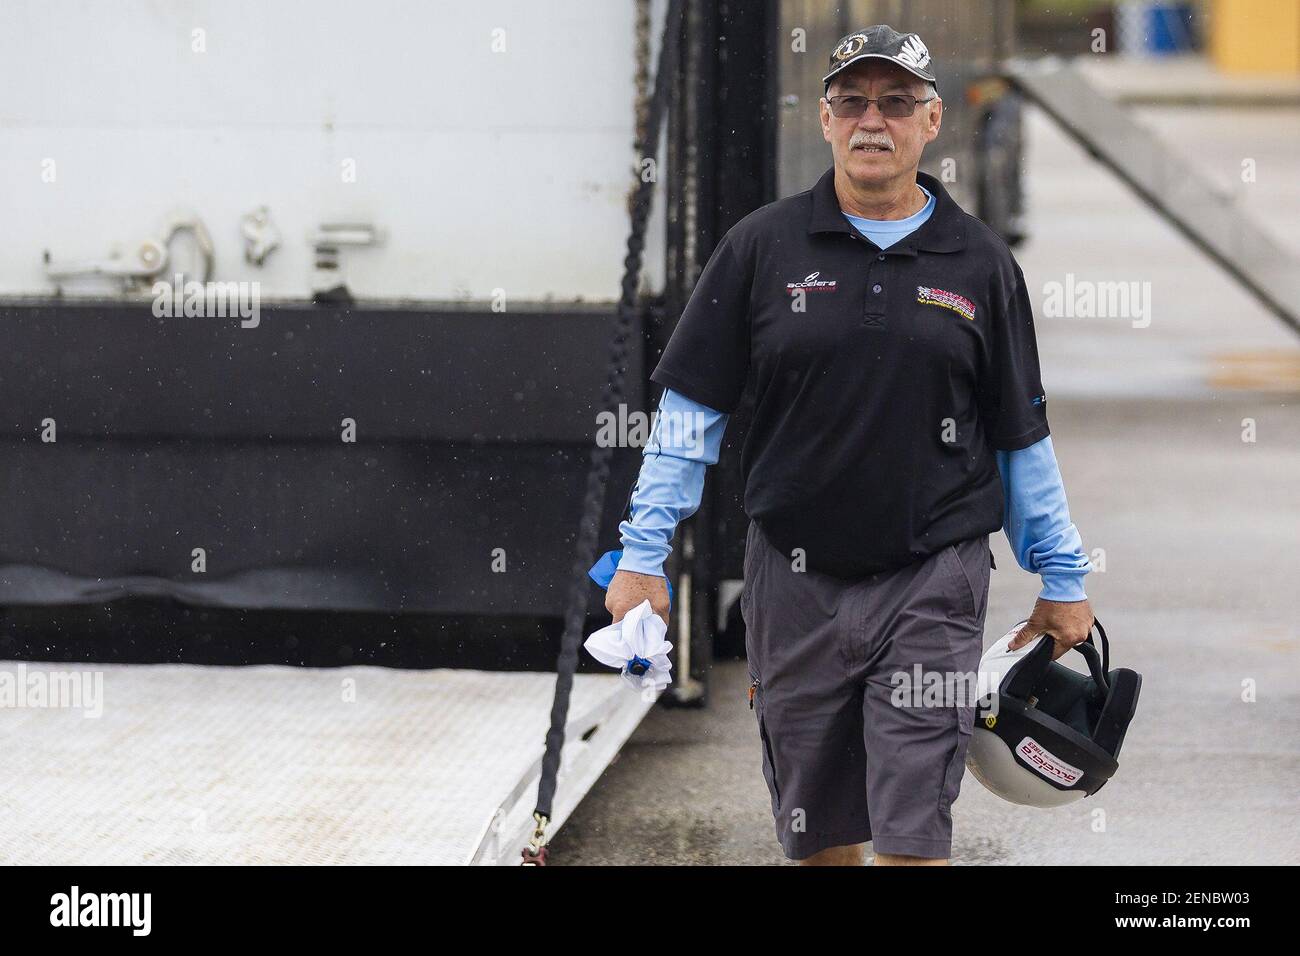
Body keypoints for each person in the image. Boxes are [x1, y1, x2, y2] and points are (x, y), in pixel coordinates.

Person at [604, 25, 1093, 866]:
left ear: (930, 121)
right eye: (852, 102)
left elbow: (1021, 437)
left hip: (932, 575)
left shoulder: (978, 263)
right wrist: (642, 556)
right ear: (826, 120)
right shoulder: (761, 247)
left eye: (896, 103)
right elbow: (689, 414)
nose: (874, 120)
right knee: (820, 834)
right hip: (793, 580)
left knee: (912, 829)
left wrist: (1064, 576)